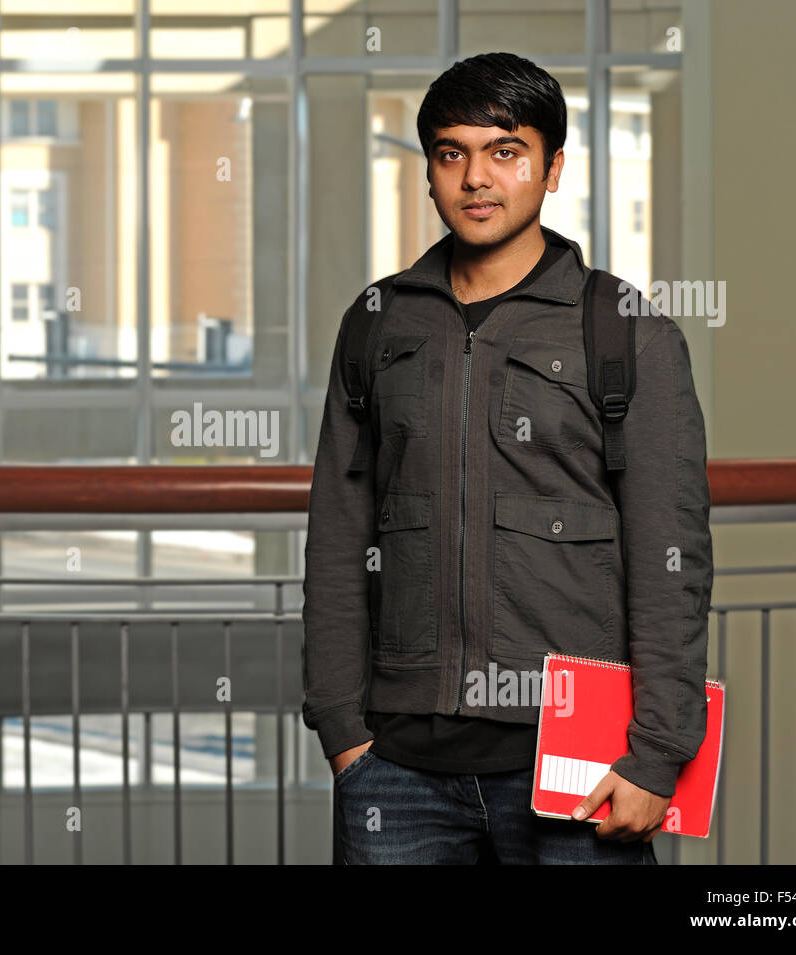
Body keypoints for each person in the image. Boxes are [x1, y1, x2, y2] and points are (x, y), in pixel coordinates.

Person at [300, 51, 714, 864]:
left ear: (552, 167)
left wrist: (660, 749)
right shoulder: (380, 322)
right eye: (452, 153)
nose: (476, 179)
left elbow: (671, 557)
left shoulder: (628, 332)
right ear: (428, 173)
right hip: (396, 770)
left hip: (579, 765)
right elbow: (338, 534)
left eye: (505, 151)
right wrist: (343, 730)